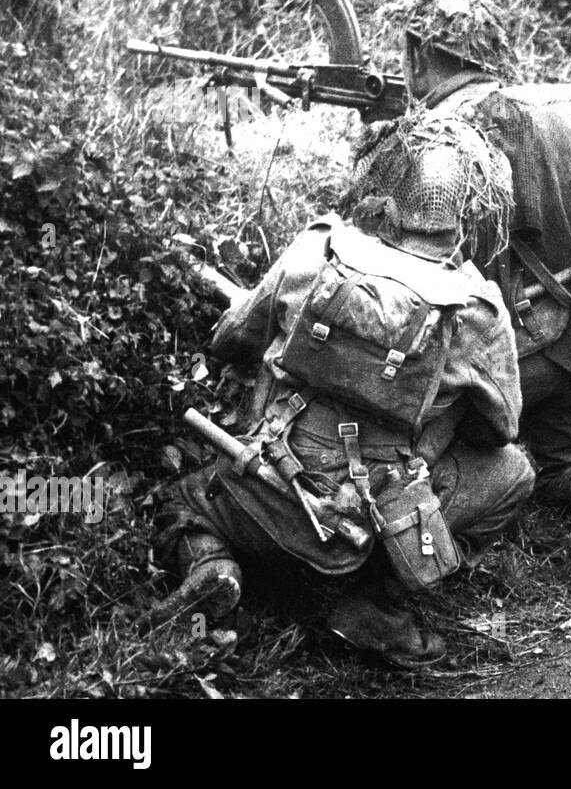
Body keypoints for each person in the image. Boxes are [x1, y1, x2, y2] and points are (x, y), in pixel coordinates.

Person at [149, 119, 535, 668]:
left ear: (387, 204)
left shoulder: (316, 250)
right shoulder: (477, 308)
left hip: (264, 492)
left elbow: (231, 340)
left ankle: (214, 567)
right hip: (372, 526)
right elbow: (500, 428)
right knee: (514, 472)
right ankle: (382, 605)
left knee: (179, 501)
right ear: (466, 216)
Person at [353, 0, 571, 588]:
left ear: (420, 55)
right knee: (563, 472)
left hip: (508, 366)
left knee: (390, 452)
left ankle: (402, 574)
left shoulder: (437, 137)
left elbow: (396, 273)